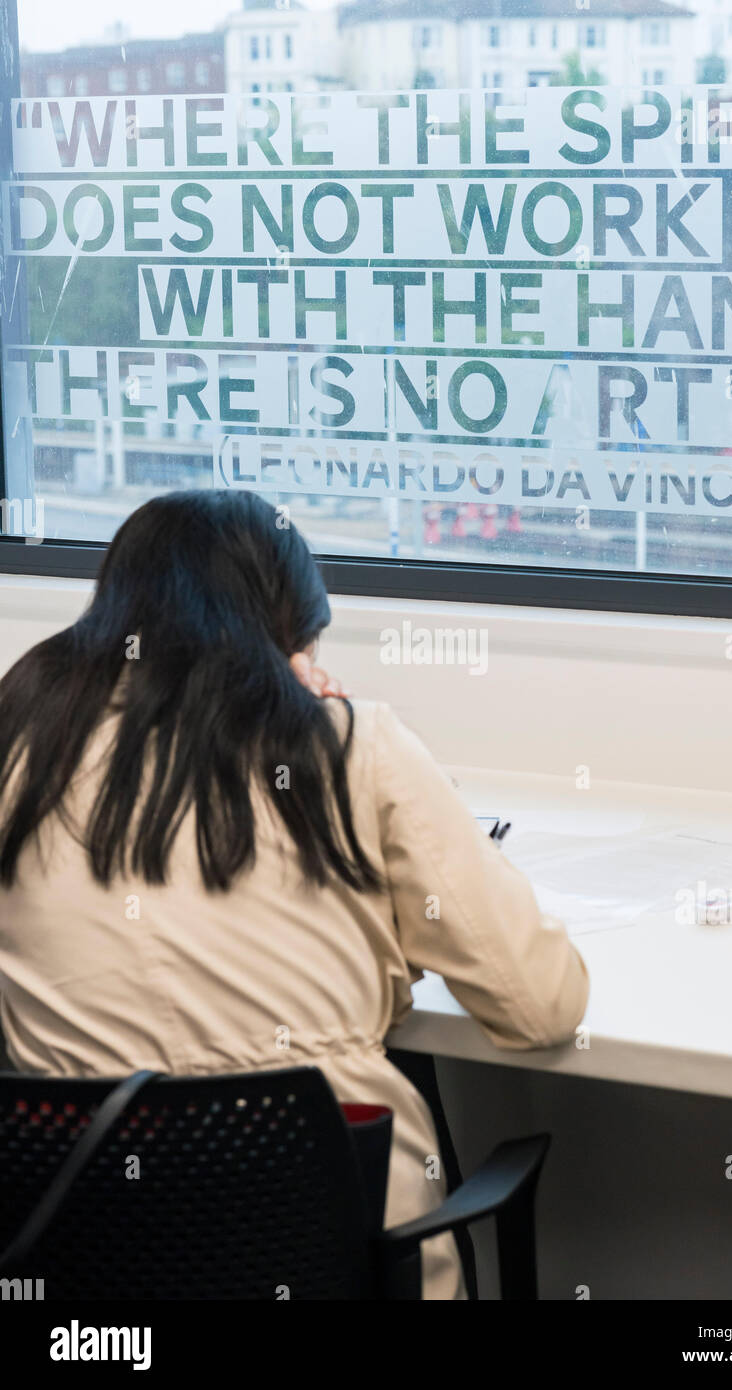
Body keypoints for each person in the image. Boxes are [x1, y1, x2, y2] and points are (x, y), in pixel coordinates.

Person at [0, 489, 589, 1299]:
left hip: (91, 1283)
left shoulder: (20, 747)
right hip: (339, 1253)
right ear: (284, 634)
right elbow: (540, 1005)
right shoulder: (350, 744)